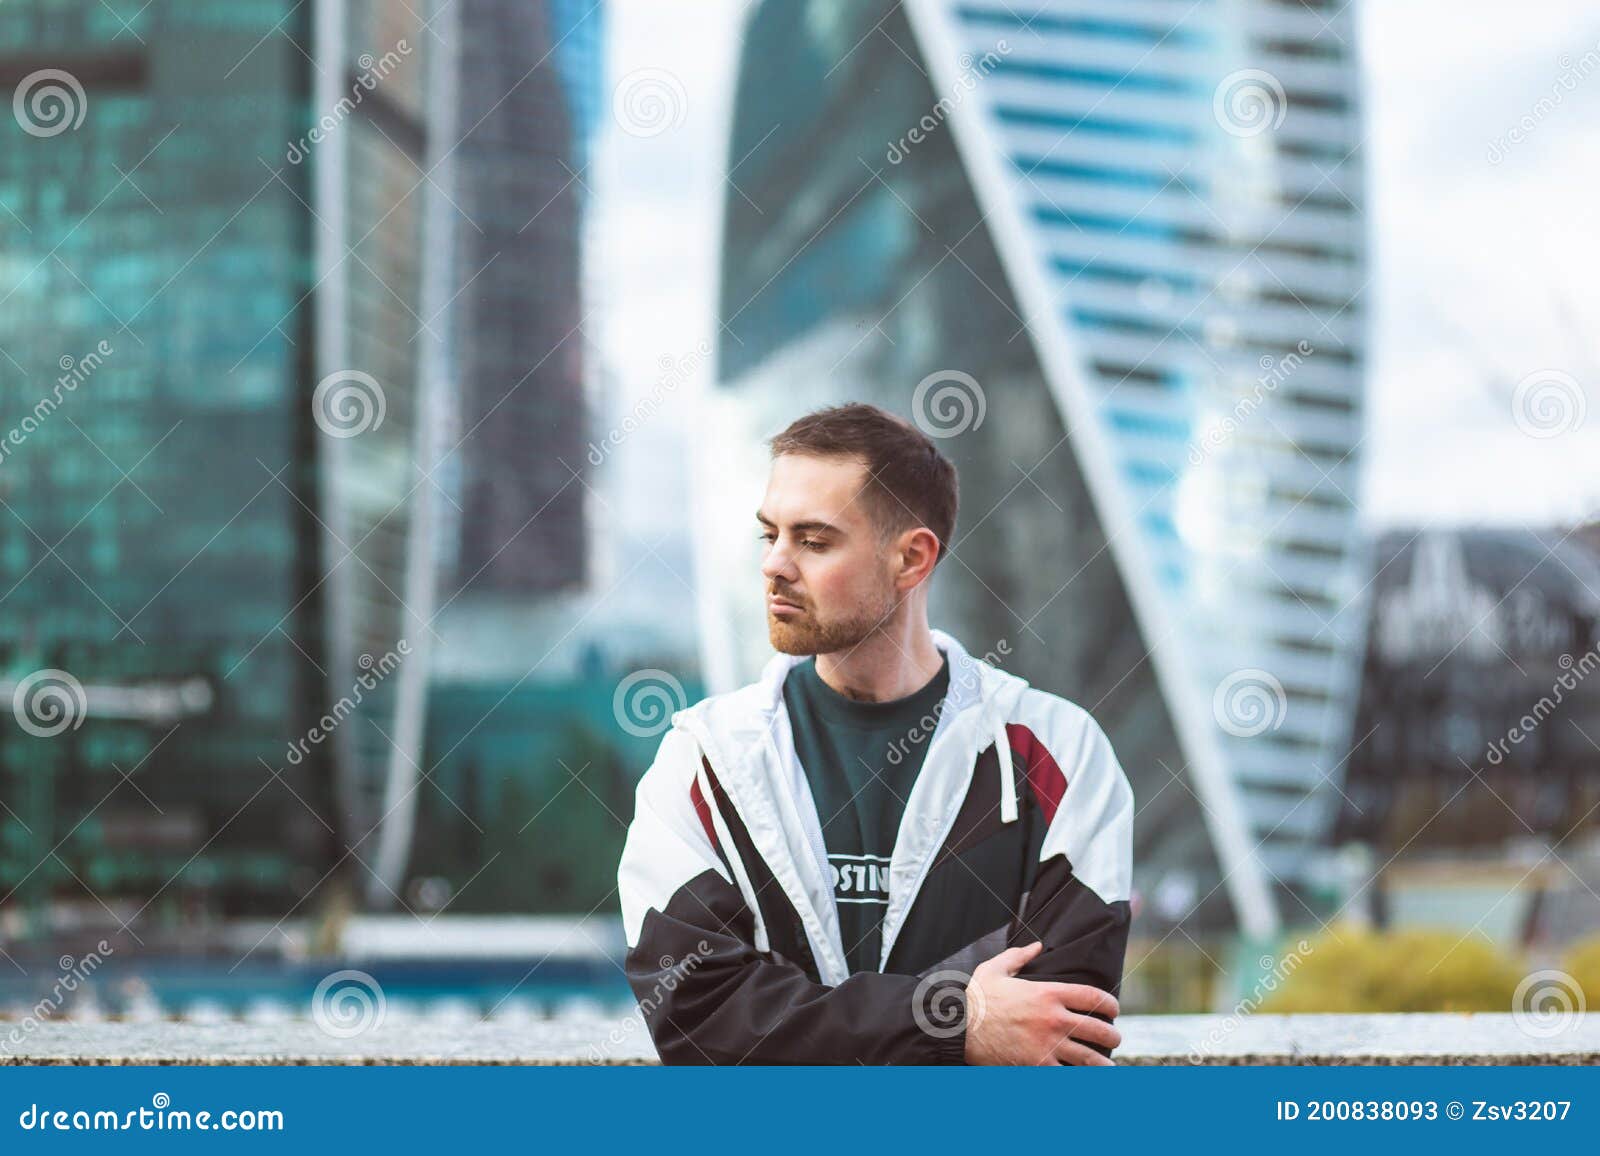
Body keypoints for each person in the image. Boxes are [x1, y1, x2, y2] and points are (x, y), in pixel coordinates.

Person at [616, 402, 1133, 1065]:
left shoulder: (1058, 755)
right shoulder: (703, 763)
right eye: (768, 534)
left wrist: (817, 1028)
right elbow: (697, 1016)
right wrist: (955, 1025)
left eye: (813, 540)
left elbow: (1058, 1032)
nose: (775, 564)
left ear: (912, 559)